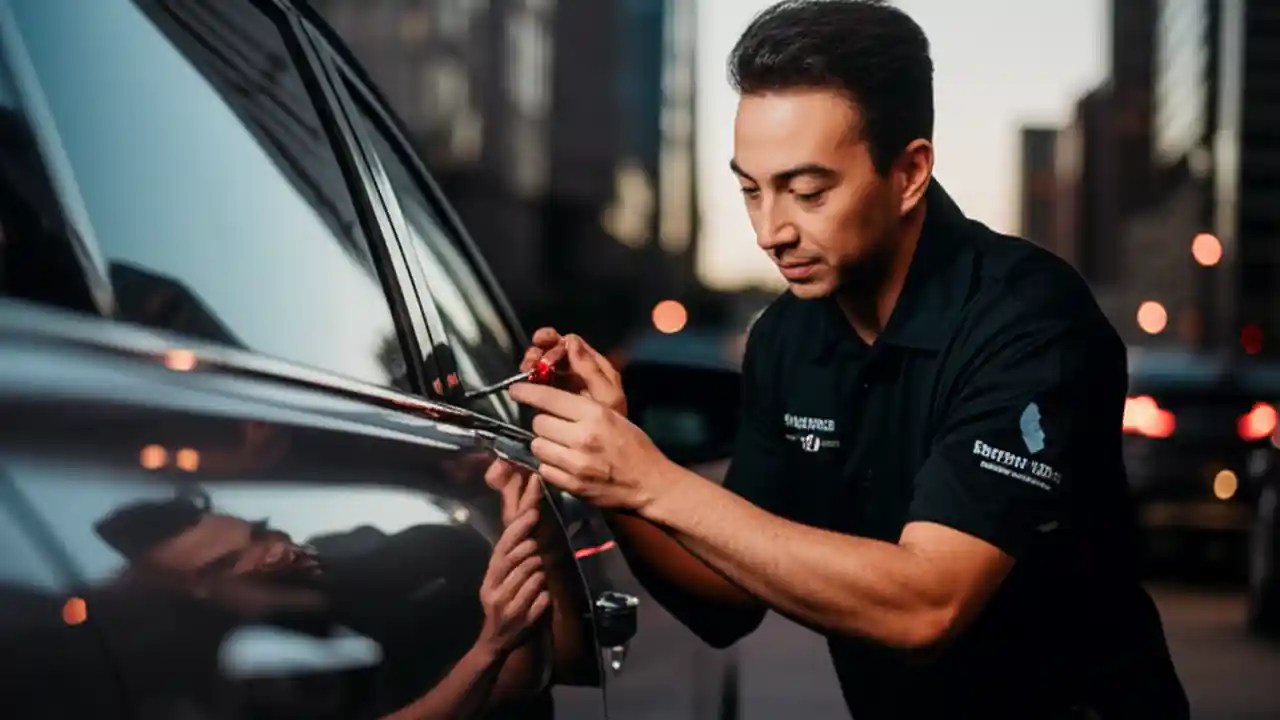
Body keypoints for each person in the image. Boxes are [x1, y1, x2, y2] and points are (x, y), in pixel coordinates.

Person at [507, 1, 1189, 717]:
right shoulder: (786, 338)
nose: (771, 231)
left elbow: (927, 606)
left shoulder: (1031, 321)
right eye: (750, 190)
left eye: (807, 192)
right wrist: (613, 469)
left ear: (910, 173)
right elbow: (728, 599)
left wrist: (652, 483)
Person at [94, 479, 551, 720]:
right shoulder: (199, 688)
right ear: (191, 595)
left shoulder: (391, 561)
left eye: (260, 533)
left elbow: (517, 686)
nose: (274, 550)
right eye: (230, 563)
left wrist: (525, 538)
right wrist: (491, 646)